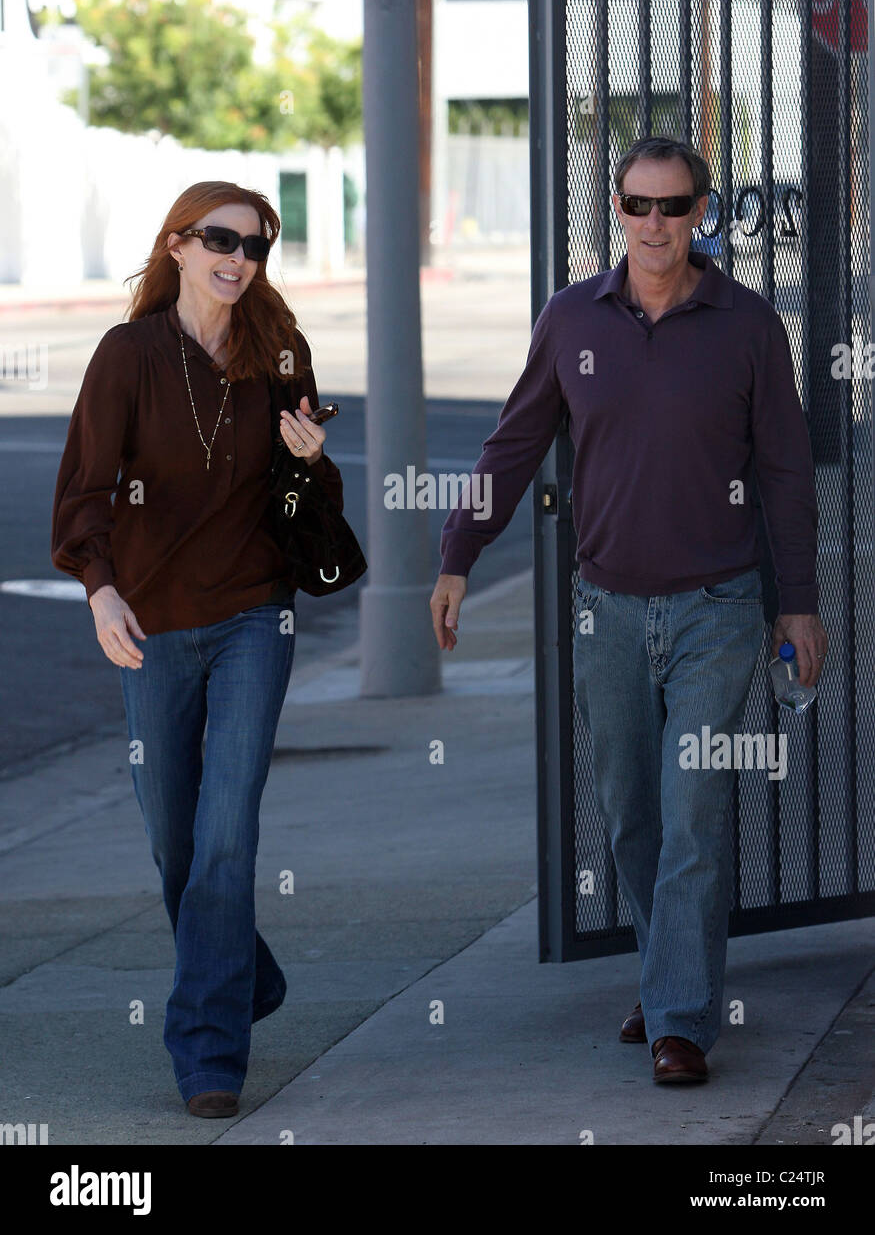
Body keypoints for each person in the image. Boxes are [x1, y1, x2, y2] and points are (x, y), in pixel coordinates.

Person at [429, 136, 828, 1084]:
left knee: (691, 811)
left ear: (702, 214)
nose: (655, 224)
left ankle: (680, 1022)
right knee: (630, 818)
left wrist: (798, 605)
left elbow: (783, 475)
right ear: (617, 211)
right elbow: (512, 446)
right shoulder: (572, 318)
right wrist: (456, 557)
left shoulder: (747, 327)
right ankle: (664, 981)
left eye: (674, 206)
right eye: (638, 206)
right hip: (603, 611)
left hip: (718, 609)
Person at [51, 180, 344, 1117]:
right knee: (173, 836)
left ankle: (209, 1052)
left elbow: (309, 496)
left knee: (227, 828)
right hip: (154, 625)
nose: (239, 259)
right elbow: (84, 494)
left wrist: (308, 460)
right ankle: (244, 975)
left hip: (257, 614)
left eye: (256, 245)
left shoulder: (279, 349)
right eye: (220, 239)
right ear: (176, 245)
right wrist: (100, 591)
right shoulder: (127, 356)